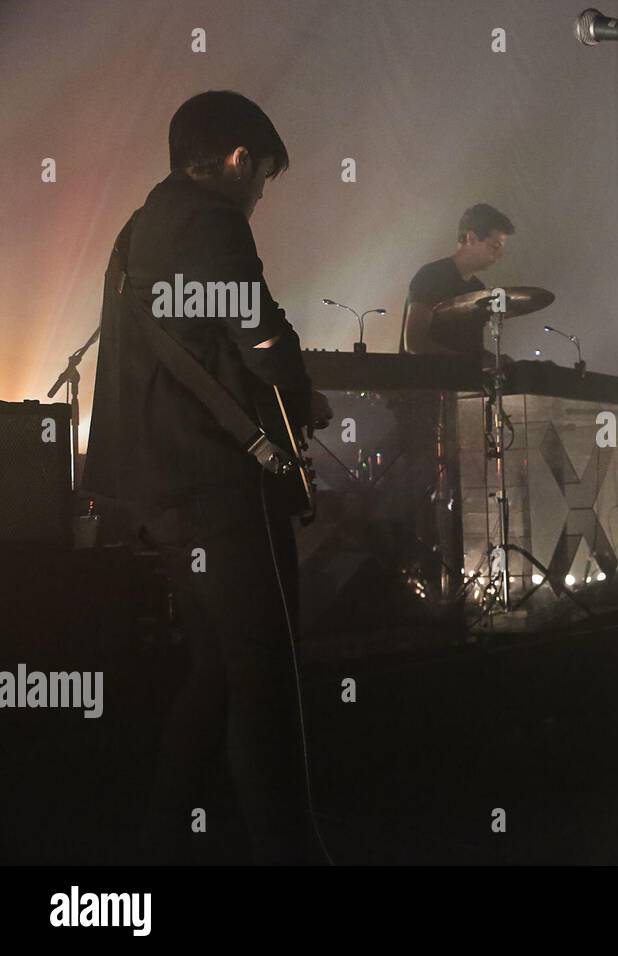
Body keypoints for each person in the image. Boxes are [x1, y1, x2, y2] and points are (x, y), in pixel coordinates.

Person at [83, 90, 333, 861]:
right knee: (267, 675)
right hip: (216, 483)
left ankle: (159, 842)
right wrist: (301, 395)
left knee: (217, 669)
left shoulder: (137, 231)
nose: (259, 195)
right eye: (260, 177)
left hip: (156, 487)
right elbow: (258, 336)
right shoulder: (209, 218)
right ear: (234, 160)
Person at [401, 202, 515, 361]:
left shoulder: (478, 288)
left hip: (459, 382)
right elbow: (414, 343)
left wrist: (495, 361)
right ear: (471, 238)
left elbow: (473, 351)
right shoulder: (431, 276)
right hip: (424, 382)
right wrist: (466, 363)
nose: (500, 255)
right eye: (495, 246)